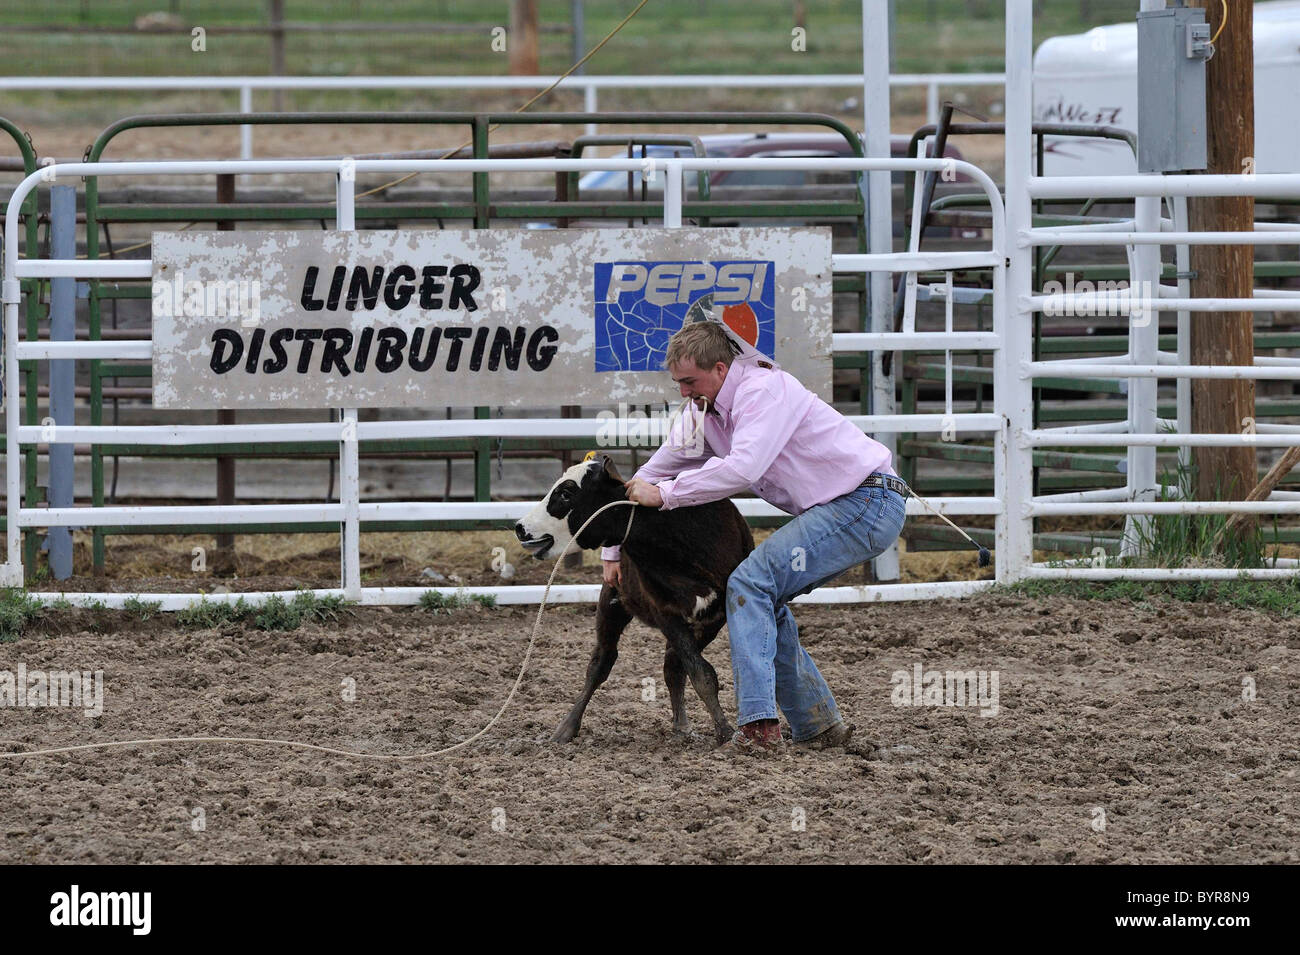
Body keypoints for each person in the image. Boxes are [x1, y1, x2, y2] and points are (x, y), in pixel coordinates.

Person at [600, 320, 907, 752]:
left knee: (749, 583)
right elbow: (654, 470)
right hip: (856, 504)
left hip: (864, 502)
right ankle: (816, 725)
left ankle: (760, 728)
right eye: (678, 383)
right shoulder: (703, 412)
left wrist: (665, 496)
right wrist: (612, 547)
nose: (684, 393)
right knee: (761, 593)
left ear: (721, 369)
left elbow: (742, 468)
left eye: (690, 381)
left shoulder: (764, 390)